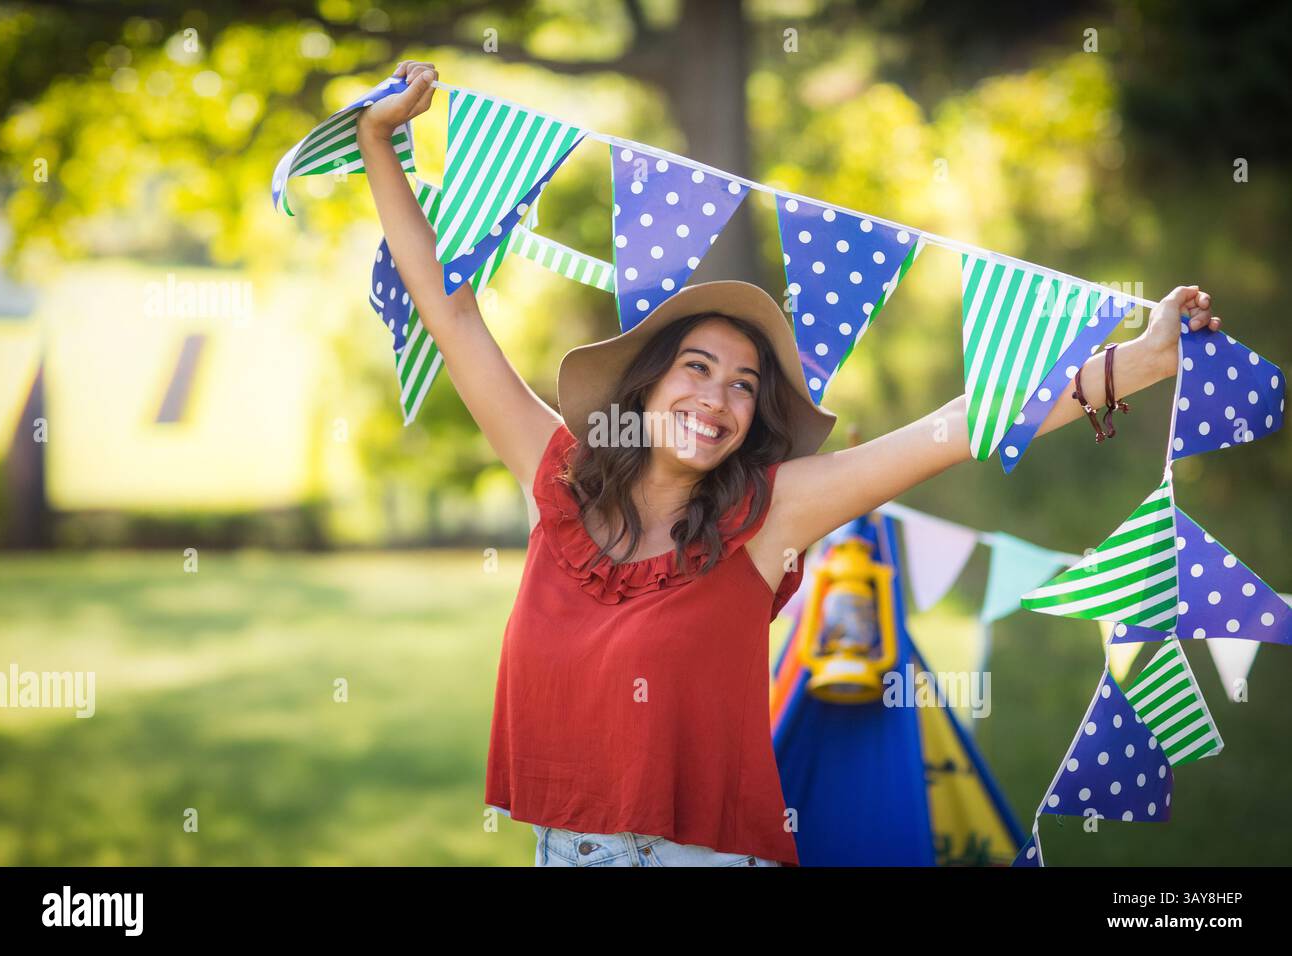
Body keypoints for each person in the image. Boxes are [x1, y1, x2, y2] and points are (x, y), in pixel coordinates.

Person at [355, 60, 1225, 867]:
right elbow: (451, 312)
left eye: (743, 387)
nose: (719, 399)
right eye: (697, 368)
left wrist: (1138, 365)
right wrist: (379, 142)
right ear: (648, 385)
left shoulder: (771, 513)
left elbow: (962, 425)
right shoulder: (561, 482)